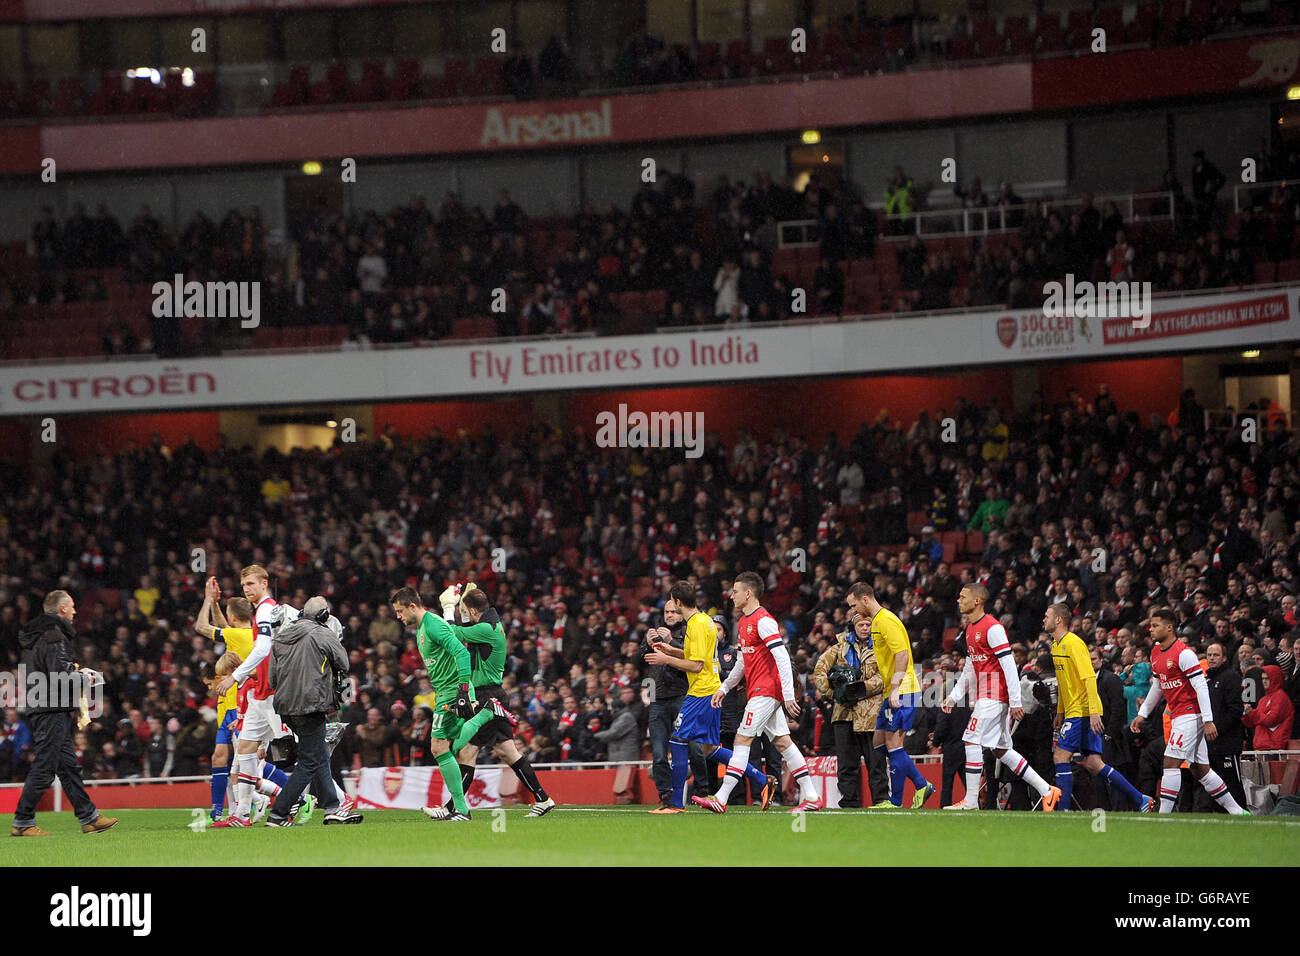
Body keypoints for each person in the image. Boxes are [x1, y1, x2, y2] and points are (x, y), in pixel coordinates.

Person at [694, 571, 822, 814]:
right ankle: (813, 796)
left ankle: (721, 798)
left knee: (742, 739)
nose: (731, 596)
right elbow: (742, 662)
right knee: (783, 742)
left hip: (766, 691)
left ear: (748, 593)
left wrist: (787, 694)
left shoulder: (763, 621)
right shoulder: (743, 622)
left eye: (735, 591)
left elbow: (782, 657)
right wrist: (724, 687)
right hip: (759, 691)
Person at [426, 584, 554, 818]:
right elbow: (465, 628)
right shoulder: (490, 626)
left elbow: (453, 634)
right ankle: (543, 799)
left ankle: (453, 808)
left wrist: (448, 609)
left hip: (486, 696)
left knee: (467, 751)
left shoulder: (487, 628)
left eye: (466, 610)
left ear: (473, 611)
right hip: (495, 694)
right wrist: (462, 602)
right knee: (508, 752)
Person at [941, 584, 1059, 810]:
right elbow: (969, 668)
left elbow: (1008, 665)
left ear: (977, 601)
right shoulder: (969, 630)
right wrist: (954, 696)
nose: (958, 599)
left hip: (995, 695)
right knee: (1002, 750)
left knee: (971, 739)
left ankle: (971, 801)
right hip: (989, 695)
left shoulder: (993, 628)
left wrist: (1015, 701)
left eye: (962, 596)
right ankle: (1047, 790)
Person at [11, 590, 118, 837]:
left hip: (45, 706)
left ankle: (89, 817)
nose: (75, 611)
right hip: (51, 708)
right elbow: (61, 676)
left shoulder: (39, 637)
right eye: (71, 607)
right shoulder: (54, 637)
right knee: (45, 766)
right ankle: (23, 820)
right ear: (62, 610)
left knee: (68, 767)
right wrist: (86, 677)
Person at [1131, 608, 1247, 814]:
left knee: (1170, 762)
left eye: (1155, 625)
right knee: (1200, 770)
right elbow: (1158, 686)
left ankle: (1163, 815)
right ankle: (1238, 812)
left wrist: (1208, 720)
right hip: (1179, 716)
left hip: (1191, 714)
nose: (1151, 629)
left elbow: (1201, 686)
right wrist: (1142, 714)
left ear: (1169, 627)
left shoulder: (1184, 653)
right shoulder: (1156, 652)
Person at [1045, 604, 1151, 812]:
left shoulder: (1075, 644)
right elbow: (1064, 682)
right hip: (1074, 711)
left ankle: (1063, 812)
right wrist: (1060, 710)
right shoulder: (1056, 646)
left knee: (1060, 756)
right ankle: (1140, 800)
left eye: (1047, 616)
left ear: (1058, 620)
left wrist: (1094, 712)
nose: (1043, 619)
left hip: (1083, 711)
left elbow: (1088, 679)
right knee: (1094, 763)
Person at [265, 597, 360, 826]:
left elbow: (272, 679)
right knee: (309, 761)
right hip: (310, 705)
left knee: (319, 755)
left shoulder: (281, 637)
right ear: (324, 615)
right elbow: (344, 663)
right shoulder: (323, 633)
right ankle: (278, 813)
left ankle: (332, 808)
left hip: (285, 707)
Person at [846, 582, 935, 808]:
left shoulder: (886, 620)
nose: (853, 611)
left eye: (854, 605)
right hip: (893, 691)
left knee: (892, 744)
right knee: (880, 743)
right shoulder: (877, 622)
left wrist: (894, 688)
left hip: (902, 690)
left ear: (865, 599)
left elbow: (903, 655)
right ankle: (921, 784)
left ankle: (896, 801)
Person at [390, 586, 475, 821]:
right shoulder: (420, 630)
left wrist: (464, 689)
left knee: (438, 747)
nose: (398, 616)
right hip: (445, 693)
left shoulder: (433, 625)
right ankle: (458, 808)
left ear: (412, 606)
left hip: (452, 693)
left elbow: (462, 653)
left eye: (400, 611)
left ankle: (460, 809)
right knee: (455, 747)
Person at [643, 581, 723, 813]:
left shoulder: (695, 625)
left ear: (678, 602)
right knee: (709, 749)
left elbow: (697, 665)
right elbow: (698, 656)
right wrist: (672, 650)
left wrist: (666, 659)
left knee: (678, 742)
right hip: (710, 688)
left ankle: (676, 804)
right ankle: (760, 779)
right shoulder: (705, 619)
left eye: (671, 604)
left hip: (699, 690)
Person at [811, 611, 886, 808]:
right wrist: (833, 693)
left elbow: (885, 675)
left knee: (876, 762)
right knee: (846, 764)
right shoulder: (839, 648)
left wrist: (859, 689)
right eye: (861, 625)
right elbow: (819, 670)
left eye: (868, 625)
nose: (865, 628)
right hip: (844, 713)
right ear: (854, 626)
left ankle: (881, 801)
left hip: (871, 714)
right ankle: (849, 801)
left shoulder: (881, 647)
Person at [1194, 641, 1246, 812]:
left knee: (1232, 782)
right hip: (1210, 744)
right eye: (1209, 655)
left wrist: (1217, 729)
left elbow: (1236, 711)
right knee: (1212, 784)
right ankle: (1218, 816)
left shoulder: (1231, 678)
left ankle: (1241, 813)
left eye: (1216, 655)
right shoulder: (1206, 680)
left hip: (1227, 743)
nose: (1211, 658)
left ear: (1224, 658)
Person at [1242, 664, 1294, 752]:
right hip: (1261, 746)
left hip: (1275, 748)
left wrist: (1252, 713)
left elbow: (1271, 720)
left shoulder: (1281, 697)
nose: (1264, 681)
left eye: (1267, 678)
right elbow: (1253, 722)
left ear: (1275, 678)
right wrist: (1246, 714)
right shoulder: (1263, 699)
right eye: (1262, 679)